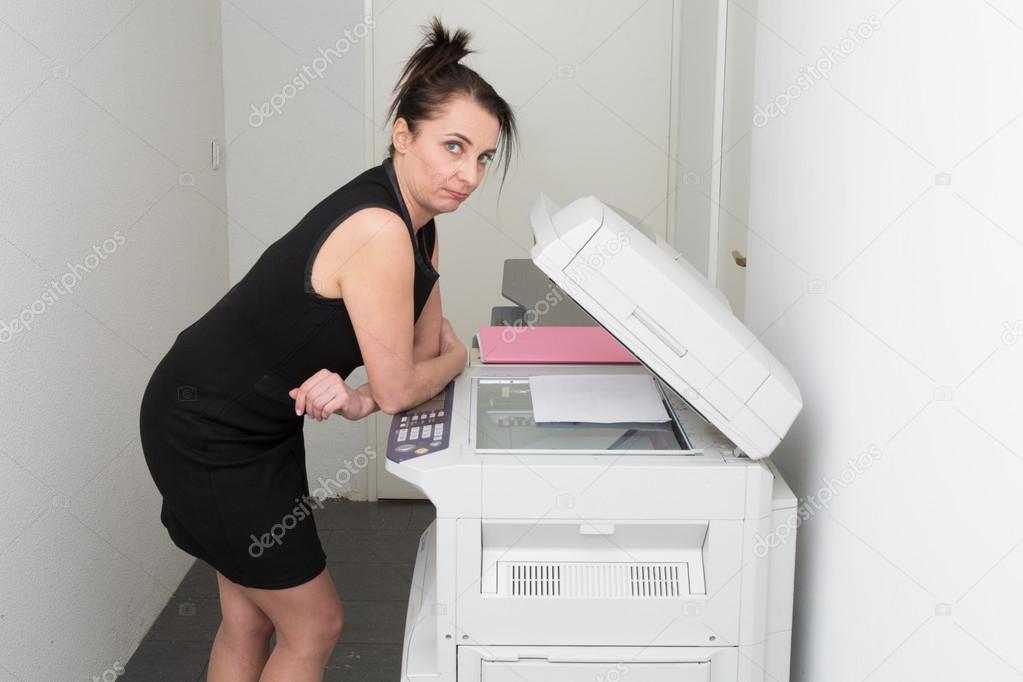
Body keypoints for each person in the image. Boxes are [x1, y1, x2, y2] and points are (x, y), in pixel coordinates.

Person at [138, 16, 517, 681]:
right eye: (453, 147)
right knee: (316, 624)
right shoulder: (379, 229)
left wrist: (376, 388)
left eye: (482, 157)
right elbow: (418, 374)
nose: (469, 174)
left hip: (255, 421)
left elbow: (416, 349)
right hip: (208, 428)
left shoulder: (418, 226)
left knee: (251, 617)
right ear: (403, 135)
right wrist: (454, 362)